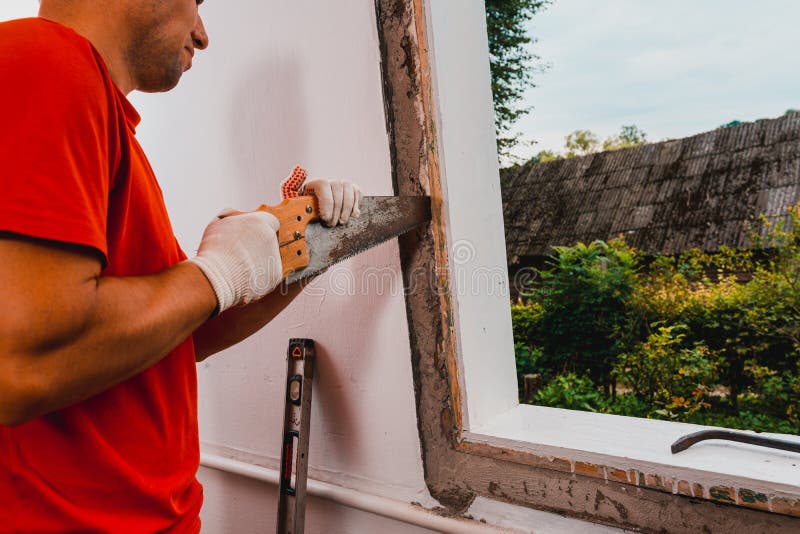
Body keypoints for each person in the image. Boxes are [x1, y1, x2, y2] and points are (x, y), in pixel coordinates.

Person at [0, 1, 361, 531]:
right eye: (198, 2)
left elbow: (171, 340)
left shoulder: (106, 122)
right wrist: (214, 274)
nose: (202, 34)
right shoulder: (43, 61)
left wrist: (300, 249)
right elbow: (21, 364)